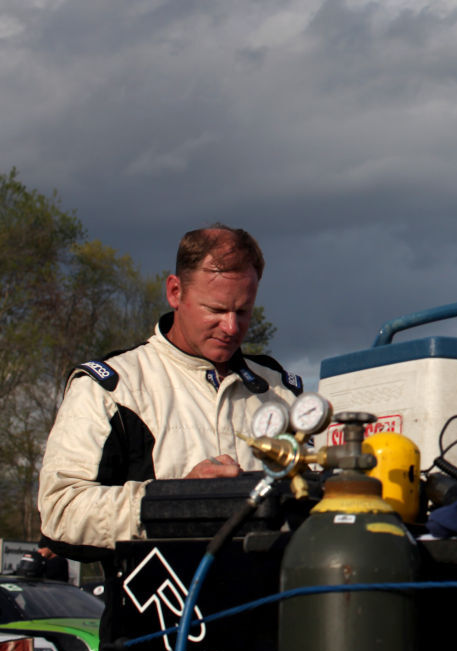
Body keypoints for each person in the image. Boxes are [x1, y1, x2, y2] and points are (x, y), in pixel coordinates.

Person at [37, 224, 302, 562]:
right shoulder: (112, 387)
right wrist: (175, 501)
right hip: (157, 610)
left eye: (243, 311)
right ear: (175, 292)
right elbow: (61, 510)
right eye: (217, 310)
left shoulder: (282, 390)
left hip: (263, 607)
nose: (231, 327)